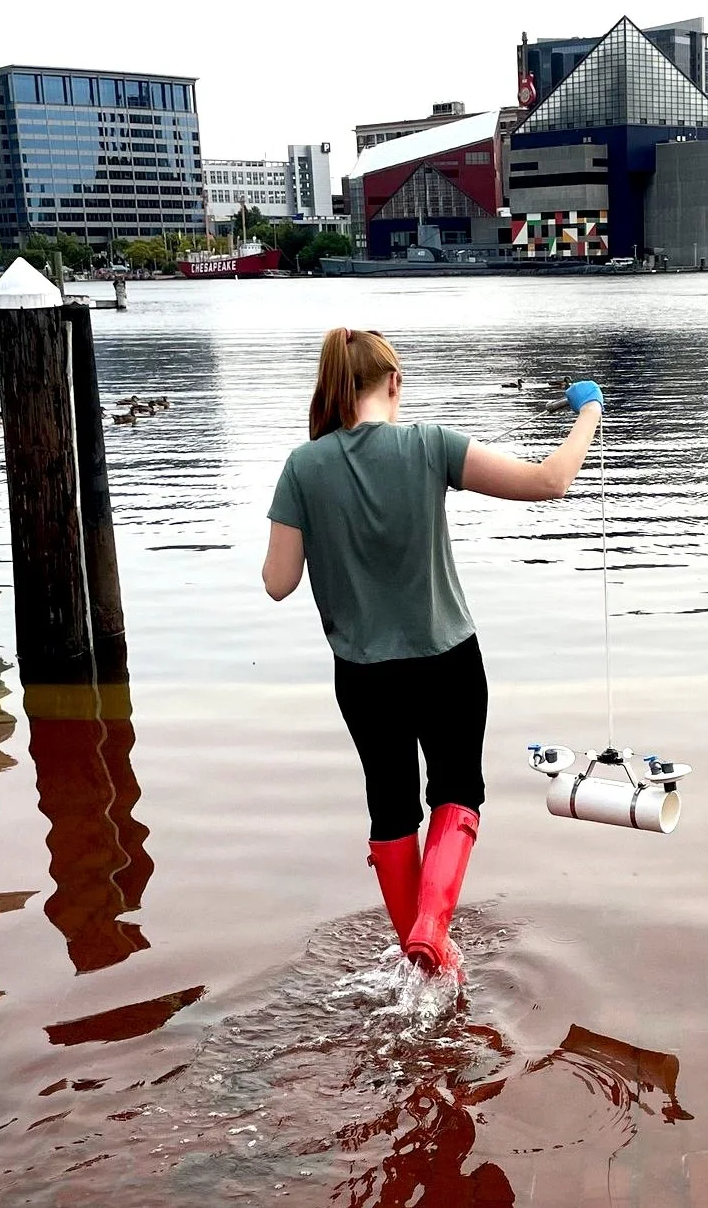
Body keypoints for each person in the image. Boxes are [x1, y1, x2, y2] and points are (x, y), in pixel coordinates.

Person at [263, 327, 602, 975]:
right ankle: (430, 926)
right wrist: (588, 411)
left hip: (361, 674)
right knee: (456, 791)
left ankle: (427, 957)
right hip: (448, 659)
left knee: (390, 806)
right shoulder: (428, 445)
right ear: (393, 383)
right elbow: (549, 481)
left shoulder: (302, 467)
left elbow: (278, 583)